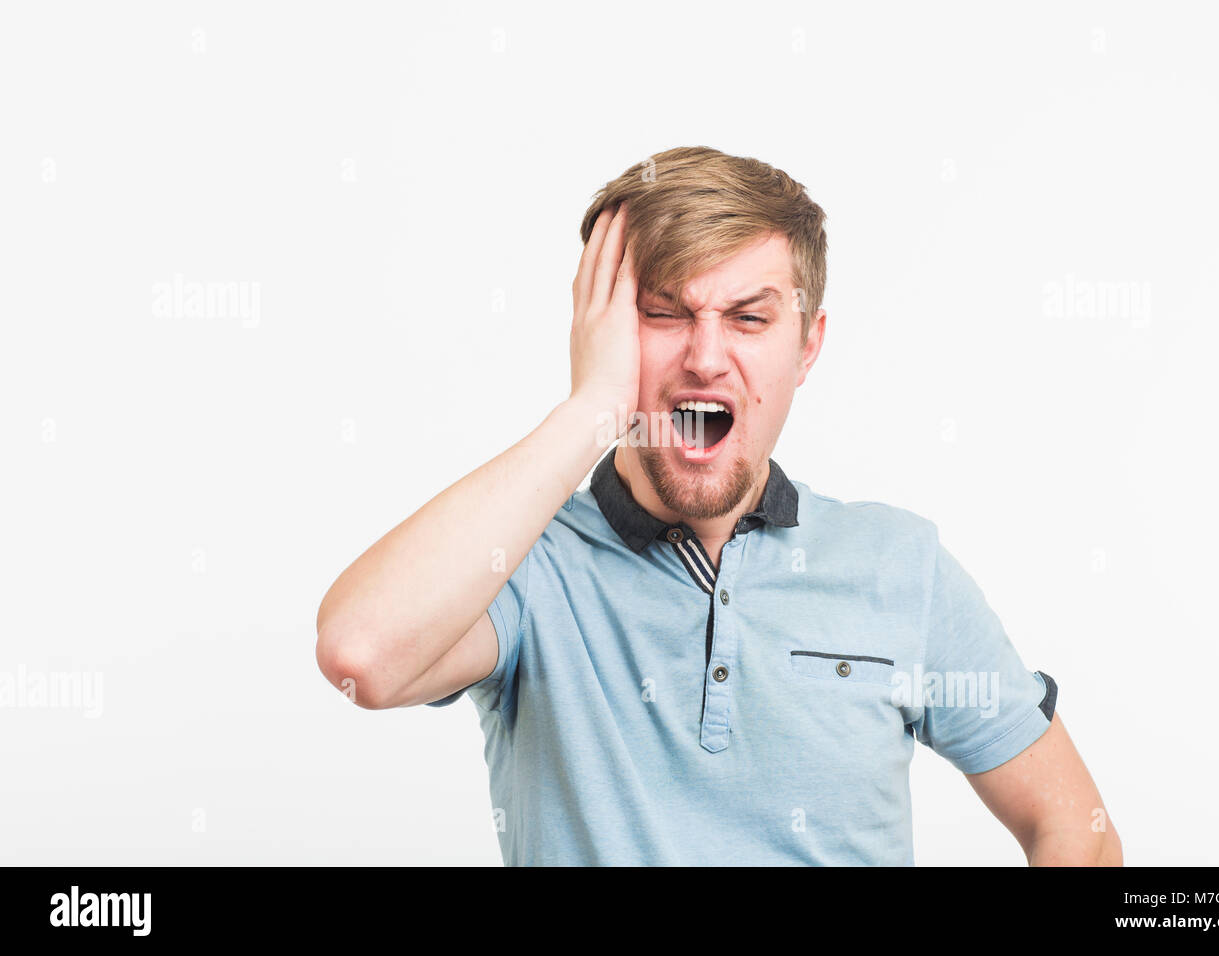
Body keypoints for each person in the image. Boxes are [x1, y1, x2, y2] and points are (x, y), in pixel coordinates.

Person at [315, 146, 1122, 867]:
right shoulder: (525, 565)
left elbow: (1075, 831)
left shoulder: (900, 569)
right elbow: (362, 655)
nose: (705, 357)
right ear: (605, 334)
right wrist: (591, 406)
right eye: (663, 313)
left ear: (807, 346)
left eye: (748, 318)